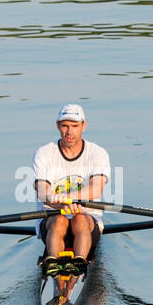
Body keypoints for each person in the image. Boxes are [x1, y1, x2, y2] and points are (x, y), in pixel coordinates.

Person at [32, 103, 111, 277]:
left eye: (75, 126)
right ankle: (53, 264)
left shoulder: (98, 153)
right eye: (65, 126)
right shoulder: (44, 153)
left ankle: (79, 265)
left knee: (80, 219)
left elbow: (96, 189)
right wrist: (60, 205)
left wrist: (68, 198)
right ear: (58, 126)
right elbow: (42, 192)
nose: (70, 132)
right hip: (52, 220)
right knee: (60, 220)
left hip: (87, 222)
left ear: (83, 125)